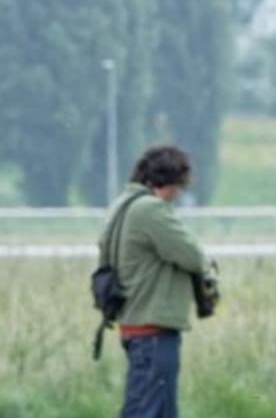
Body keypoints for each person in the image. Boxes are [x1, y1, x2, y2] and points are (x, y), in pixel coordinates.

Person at [97, 145, 213, 418]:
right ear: (170, 181)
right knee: (146, 411)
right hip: (153, 328)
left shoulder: (122, 205)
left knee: (157, 411)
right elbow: (193, 257)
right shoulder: (150, 210)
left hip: (135, 324)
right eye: (179, 186)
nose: (178, 194)